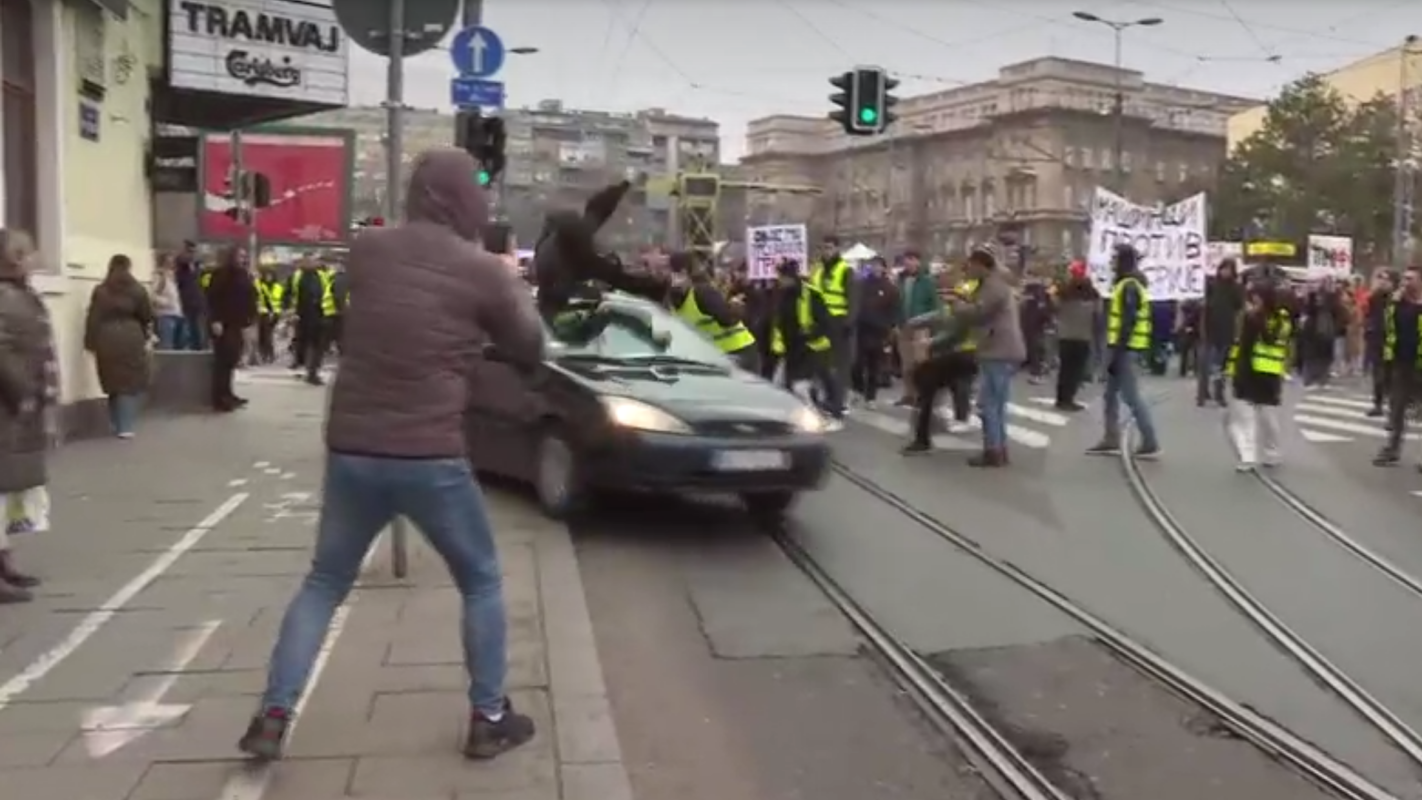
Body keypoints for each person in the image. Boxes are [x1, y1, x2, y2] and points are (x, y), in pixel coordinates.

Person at [238, 149, 545, 762]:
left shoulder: (367, 250)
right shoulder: (483, 270)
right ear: (465, 199)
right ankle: (488, 716)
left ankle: (273, 715)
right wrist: (505, 289)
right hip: (430, 453)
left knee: (325, 580)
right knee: (480, 578)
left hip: (352, 446)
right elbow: (531, 347)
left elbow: (381, 313)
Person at [0, 229, 59, 603]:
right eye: (30, 253)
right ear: (14, 257)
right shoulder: (5, 297)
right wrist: (21, 393)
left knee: (7, 493)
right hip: (7, 408)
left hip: (17, 410)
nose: (36, 258)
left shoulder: (20, 293)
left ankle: (4, 563)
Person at [942, 246, 1025, 467]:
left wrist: (956, 304)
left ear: (981, 266)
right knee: (996, 403)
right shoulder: (995, 284)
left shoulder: (993, 286)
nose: (968, 269)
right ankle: (999, 448)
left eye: (971, 265)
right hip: (1001, 349)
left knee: (988, 403)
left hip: (998, 350)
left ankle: (993, 451)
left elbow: (979, 313)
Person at [1087, 244, 1162, 459]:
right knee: (1110, 395)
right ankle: (1110, 437)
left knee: (1130, 396)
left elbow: (1128, 321)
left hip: (1125, 349)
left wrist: (1117, 351)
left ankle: (1150, 441)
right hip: (1121, 347)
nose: (1111, 263)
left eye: (1114, 259)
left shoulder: (1129, 286)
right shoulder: (1126, 284)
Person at [84, 254, 154, 438]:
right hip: (131, 336)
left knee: (112, 381)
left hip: (106, 336)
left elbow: (94, 317)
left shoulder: (101, 290)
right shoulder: (138, 290)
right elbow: (147, 316)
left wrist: (90, 341)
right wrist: (146, 336)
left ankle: (115, 422)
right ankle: (126, 426)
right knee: (129, 383)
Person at [1227, 283, 1291, 471]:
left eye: (1256, 297)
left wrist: (1254, 318)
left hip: (1262, 371)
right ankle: (1255, 455)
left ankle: (1265, 454)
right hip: (1256, 371)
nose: (1253, 301)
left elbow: (1268, 338)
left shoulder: (1273, 319)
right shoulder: (1271, 318)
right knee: (1250, 416)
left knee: (1264, 417)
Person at [767, 259, 835, 422]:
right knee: (778, 385)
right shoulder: (782, 295)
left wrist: (809, 335)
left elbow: (825, 322)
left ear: (790, 277)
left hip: (811, 349)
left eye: (782, 277)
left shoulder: (812, 295)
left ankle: (815, 418)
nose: (779, 280)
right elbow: (779, 322)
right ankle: (792, 418)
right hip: (791, 349)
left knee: (799, 387)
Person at [666, 252, 759, 371]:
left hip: (739, 352)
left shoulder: (702, 292)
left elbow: (727, 319)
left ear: (683, 273)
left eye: (668, 271)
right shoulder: (673, 298)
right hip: (714, 356)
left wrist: (735, 307)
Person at [1373, 265, 1422, 468]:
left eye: (1410, 279)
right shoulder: (1395, 305)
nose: (1405, 282)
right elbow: (1386, 327)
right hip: (1401, 363)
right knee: (1397, 408)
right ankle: (1392, 450)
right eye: (1404, 279)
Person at [204, 246, 257, 411]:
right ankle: (219, 398)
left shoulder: (243, 274)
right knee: (223, 360)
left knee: (232, 359)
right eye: (240, 255)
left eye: (244, 256)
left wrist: (250, 317)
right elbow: (212, 299)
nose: (243, 258)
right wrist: (215, 320)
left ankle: (228, 392)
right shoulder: (221, 274)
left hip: (238, 322)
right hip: (224, 322)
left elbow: (249, 295)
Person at [807, 236, 856, 416]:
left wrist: (849, 323)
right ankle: (828, 397)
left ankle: (839, 401)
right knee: (821, 362)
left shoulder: (845, 271)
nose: (826, 252)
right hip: (821, 323)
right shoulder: (817, 271)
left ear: (837, 249)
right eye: (823, 248)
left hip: (839, 321)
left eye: (829, 248)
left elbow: (853, 299)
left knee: (840, 365)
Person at [895, 251, 940, 408]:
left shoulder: (927, 282)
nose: (908, 263)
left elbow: (937, 309)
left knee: (921, 364)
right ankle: (908, 394)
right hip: (903, 327)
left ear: (918, 262)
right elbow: (896, 302)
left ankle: (923, 395)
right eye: (906, 260)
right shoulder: (901, 280)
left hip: (921, 328)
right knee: (906, 365)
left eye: (912, 260)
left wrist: (920, 319)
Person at [852, 256, 898, 408]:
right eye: (873, 265)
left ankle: (870, 397)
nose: (876, 268)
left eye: (879, 265)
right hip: (862, 329)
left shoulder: (889, 287)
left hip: (880, 332)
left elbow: (893, 309)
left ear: (884, 268)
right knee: (858, 364)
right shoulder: (862, 285)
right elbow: (856, 303)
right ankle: (857, 390)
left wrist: (891, 326)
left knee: (874, 366)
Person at [287, 257, 340, 385]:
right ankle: (306, 368)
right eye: (311, 260)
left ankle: (312, 371)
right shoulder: (298, 276)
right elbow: (290, 295)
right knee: (305, 343)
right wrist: (292, 312)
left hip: (319, 315)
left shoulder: (322, 275)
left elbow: (326, 291)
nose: (314, 263)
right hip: (304, 315)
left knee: (316, 345)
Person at [1054, 262, 1098, 411]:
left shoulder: (1063, 291)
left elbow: (1054, 304)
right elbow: (1098, 314)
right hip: (1082, 336)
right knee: (1075, 371)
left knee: (1065, 369)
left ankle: (1061, 398)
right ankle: (1069, 399)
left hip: (1065, 335)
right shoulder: (1092, 294)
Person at [1200, 258, 1244, 406]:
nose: (1226, 272)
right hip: (1210, 328)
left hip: (1226, 330)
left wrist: (1237, 332)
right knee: (1206, 363)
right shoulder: (1211, 285)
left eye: (1229, 269)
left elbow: (1239, 308)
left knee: (1221, 365)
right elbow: (1204, 304)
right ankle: (1202, 393)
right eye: (1224, 268)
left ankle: (1219, 392)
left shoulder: (1236, 288)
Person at [1364, 269, 1398, 417]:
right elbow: (1369, 315)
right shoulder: (1375, 297)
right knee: (1377, 374)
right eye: (1380, 278)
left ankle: (1392, 408)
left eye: (1386, 279)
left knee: (1390, 375)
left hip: (1392, 340)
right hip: (1376, 339)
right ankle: (1377, 404)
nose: (1382, 282)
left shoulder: (1397, 298)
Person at [174, 240, 207, 350]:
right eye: (189, 251)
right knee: (187, 326)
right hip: (185, 300)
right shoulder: (181, 264)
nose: (191, 255)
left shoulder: (196, 266)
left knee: (196, 327)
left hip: (196, 301)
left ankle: (197, 346)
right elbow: (182, 261)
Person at [151, 253, 184, 350]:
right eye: (168, 262)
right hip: (166, 315)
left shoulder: (173, 277)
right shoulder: (160, 276)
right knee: (167, 346)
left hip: (177, 314)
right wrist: (167, 303)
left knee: (178, 346)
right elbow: (153, 295)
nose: (171, 264)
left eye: (172, 262)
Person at [255, 265, 284, 365]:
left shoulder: (278, 287)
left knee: (267, 335)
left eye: (270, 275)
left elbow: (282, 300)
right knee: (261, 335)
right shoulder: (258, 284)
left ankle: (269, 354)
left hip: (273, 313)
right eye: (266, 275)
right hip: (261, 312)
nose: (268, 277)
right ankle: (265, 354)